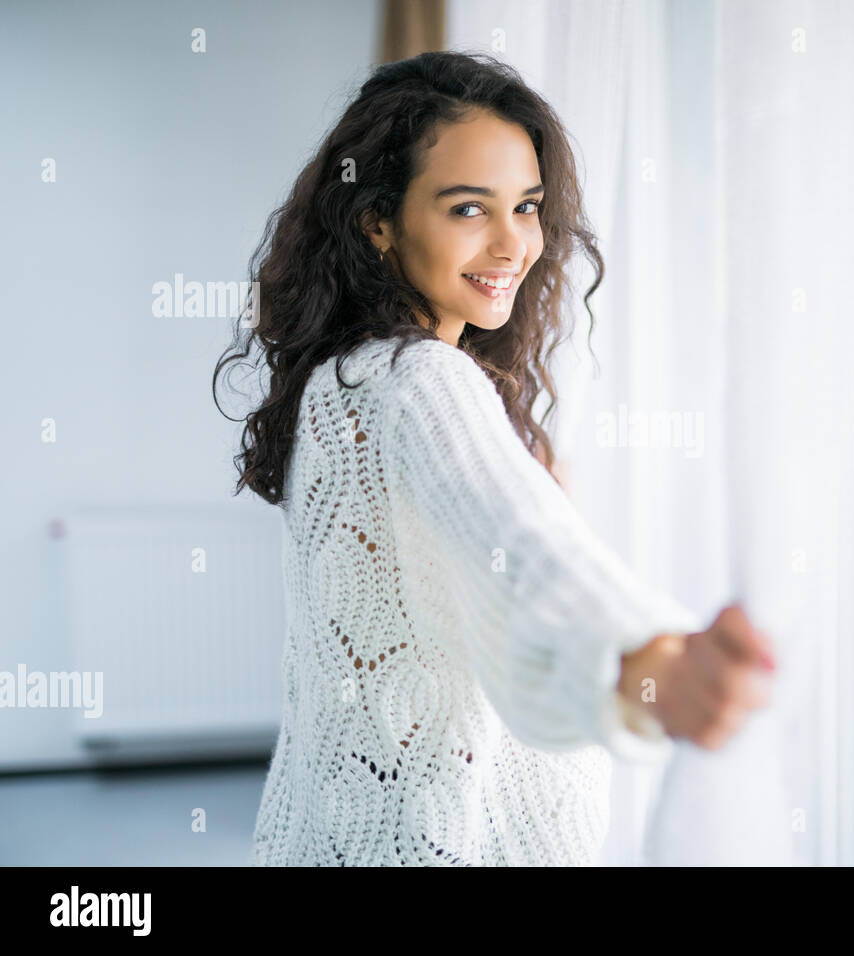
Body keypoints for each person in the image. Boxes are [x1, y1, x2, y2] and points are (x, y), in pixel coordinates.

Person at [212, 50, 774, 866]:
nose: (515, 244)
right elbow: (526, 551)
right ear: (377, 220)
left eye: (528, 206)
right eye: (470, 208)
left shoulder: (341, 382)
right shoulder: (418, 379)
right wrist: (651, 661)